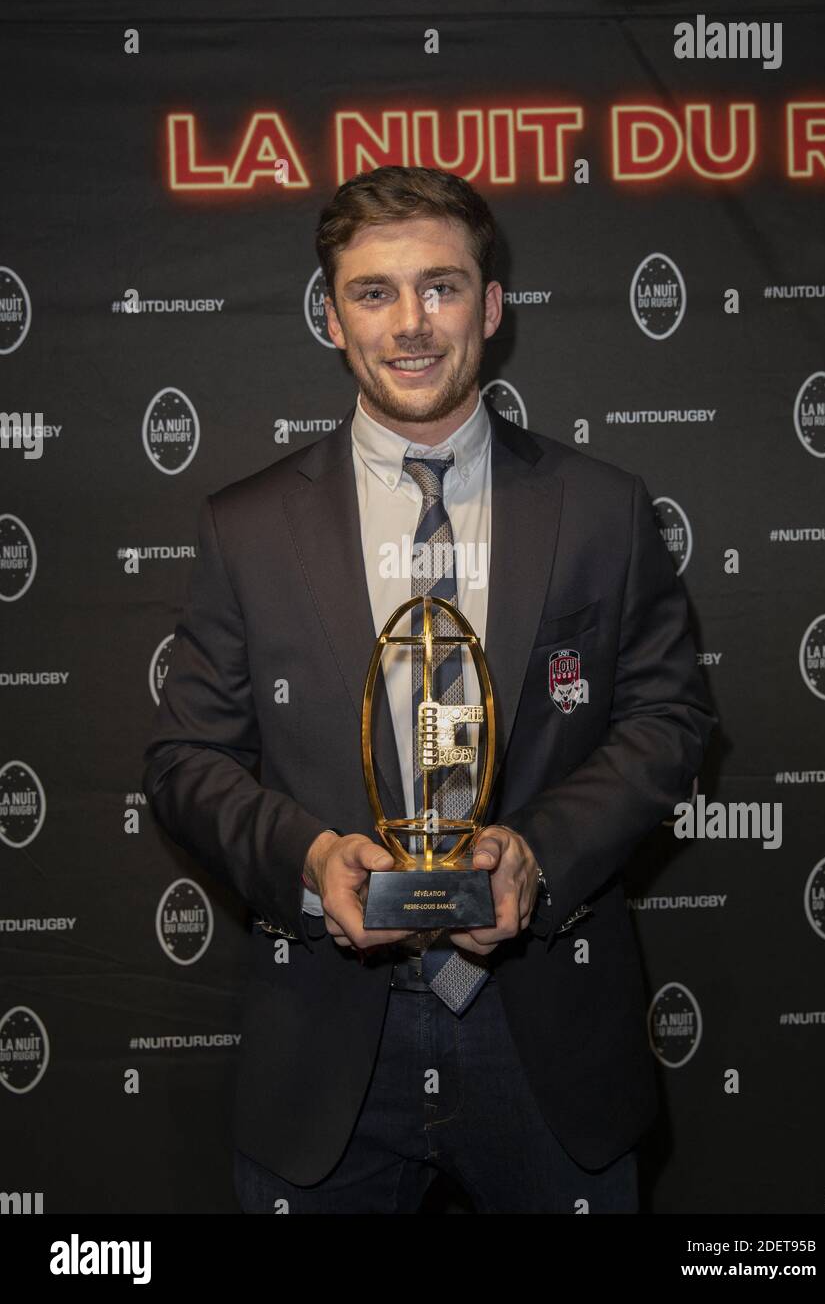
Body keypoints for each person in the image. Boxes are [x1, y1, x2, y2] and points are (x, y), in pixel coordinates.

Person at [142, 164, 717, 1214]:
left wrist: (538, 851)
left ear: (490, 308)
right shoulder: (247, 525)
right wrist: (311, 861)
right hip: (325, 1035)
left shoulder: (599, 508)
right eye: (374, 292)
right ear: (331, 316)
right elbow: (184, 760)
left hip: (543, 1024)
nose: (411, 323)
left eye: (441, 287)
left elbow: (669, 719)